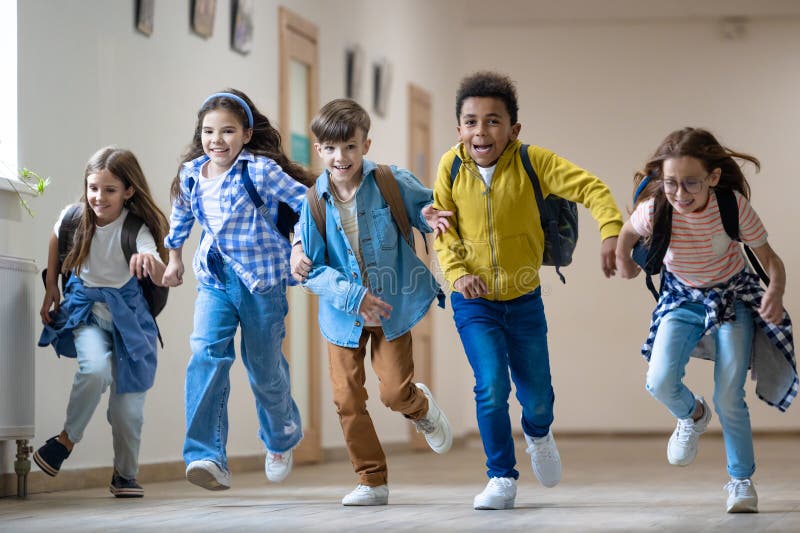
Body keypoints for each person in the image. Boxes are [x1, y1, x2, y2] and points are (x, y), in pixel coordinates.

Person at [432, 71, 623, 510]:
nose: (482, 131)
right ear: (459, 128)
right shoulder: (451, 166)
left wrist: (612, 230)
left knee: (537, 395)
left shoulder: (534, 162)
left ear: (513, 129)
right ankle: (500, 476)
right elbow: (442, 228)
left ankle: (538, 432)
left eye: (494, 121)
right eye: (471, 121)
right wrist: (458, 273)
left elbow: (593, 188)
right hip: (473, 300)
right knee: (491, 385)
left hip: (523, 298)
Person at [616, 127, 796, 513]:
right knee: (659, 379)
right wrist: (622, 261)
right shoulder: (656, 208)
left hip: (731, 299)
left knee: (730, 395)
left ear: (713, 178)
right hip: (681, 300)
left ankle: (741, 481)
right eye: (670, 184)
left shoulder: (731, 207)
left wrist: (775, 292)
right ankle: (693, 415)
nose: (680, 195)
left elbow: (771, 261)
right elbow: (628, 232)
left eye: (691, 183)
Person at [290, 98, 453, 506]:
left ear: (365, 144)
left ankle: (420, 408)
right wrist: (351, 294)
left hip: (392, 308)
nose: (339, 156)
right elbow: (309, 269)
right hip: (343, 317)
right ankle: (371, 480)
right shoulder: (313, 203)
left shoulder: (388, 181)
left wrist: (432, 216)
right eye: (329, 148)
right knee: (346, 399)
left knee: (394, 393)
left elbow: (424, 207)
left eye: (349, 146)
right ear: (318, 149)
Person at [162, 89, 311, 491]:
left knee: (263, 367)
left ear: (246, 134)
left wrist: (299, 244)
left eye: (227, 131)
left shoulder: (259, 170)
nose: (217, 140)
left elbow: (306, 205)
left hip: (263, 282)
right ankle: (206, 455)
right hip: (214, 279)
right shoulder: (192, 174)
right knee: (205, 354)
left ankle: (280, 438)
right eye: (209, 131)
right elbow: (178, 222)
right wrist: (174, 259)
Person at [34, 147, 169, 498]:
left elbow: (154, 259)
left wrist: (149, 262)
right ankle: (65, 441)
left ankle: (124, 475)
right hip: (88, 314)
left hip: (130, 324)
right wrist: (51, 286)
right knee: (94, 370)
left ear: (128, 191)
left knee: (127, 412)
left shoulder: (136, 229)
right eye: (93, 187)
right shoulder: (74, 217)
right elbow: (54, 235)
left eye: (109, 189)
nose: (99, 197)